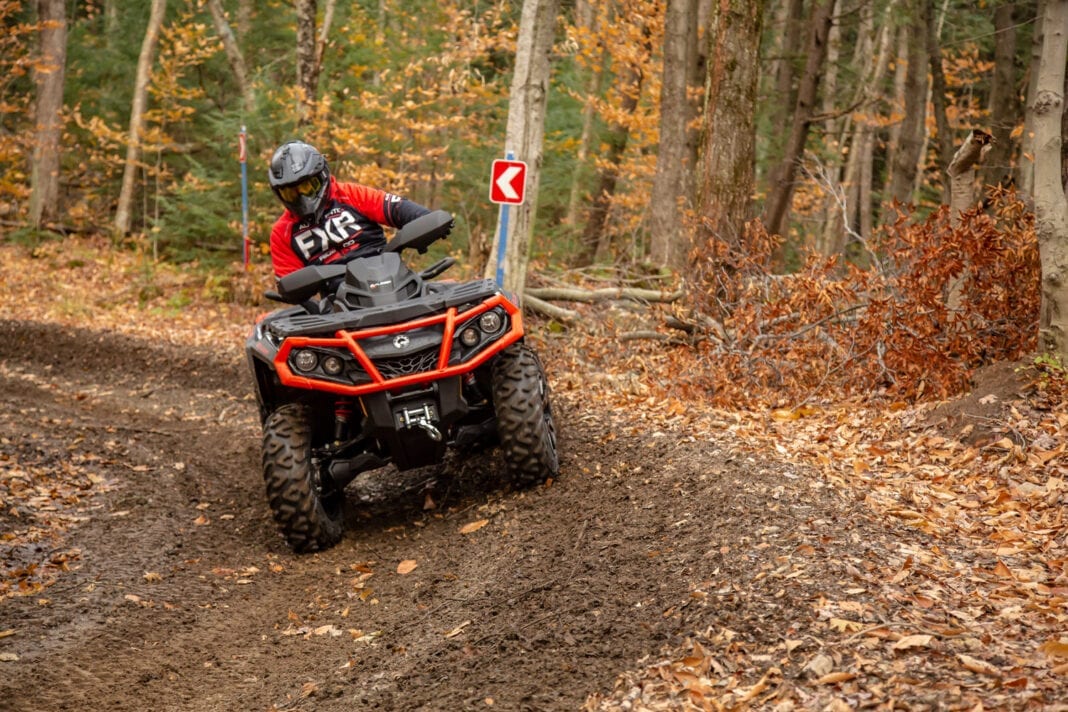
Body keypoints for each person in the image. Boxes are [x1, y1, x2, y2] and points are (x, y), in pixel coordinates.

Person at [267, 140, 431, 278]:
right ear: (279, 194)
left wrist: (429, 224)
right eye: (290, 193)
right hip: (338, 304)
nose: (302, 197)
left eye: (307, 187)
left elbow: (400, 209)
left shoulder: (351, 195)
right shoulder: (282, 233)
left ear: (321, 176)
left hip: (389, 276)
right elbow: (290, 284)